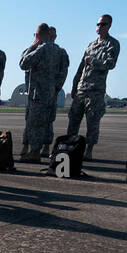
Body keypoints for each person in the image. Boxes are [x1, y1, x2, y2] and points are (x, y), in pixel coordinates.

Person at [67, 14, 121, 160]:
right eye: (98, 24)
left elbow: (110, 64)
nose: (99, 27)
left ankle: (88, 151)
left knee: (92, 121)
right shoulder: (90, 45)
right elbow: (80, 68)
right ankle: (70, 148)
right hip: (81, 89)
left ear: (109, 26)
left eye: (103, 24)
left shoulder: (112, 44)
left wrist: (93, 61)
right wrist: (74, 86)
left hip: (96, 90)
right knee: (73, 120)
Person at [17, 24, 61, 163]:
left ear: (38, 35)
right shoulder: (58, 50)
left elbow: (23, 63)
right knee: (45, 122)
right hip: (50, 93)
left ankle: (35, 152)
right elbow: (62, 73)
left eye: (35, 35)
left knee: (35, 123)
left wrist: (32, 46)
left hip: (38, 93)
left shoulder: (42, 49)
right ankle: (37, 150)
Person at [42, 25, 69, 159]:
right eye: (49, 35)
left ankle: (46, 147)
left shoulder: (61, 52)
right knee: (32, 121)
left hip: (51, 92)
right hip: (37, 92)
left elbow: (63, 73)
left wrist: (56, 88)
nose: (51, 38)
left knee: (48, 121)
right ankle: (31, 147)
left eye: (53, 36)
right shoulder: (38, 50)